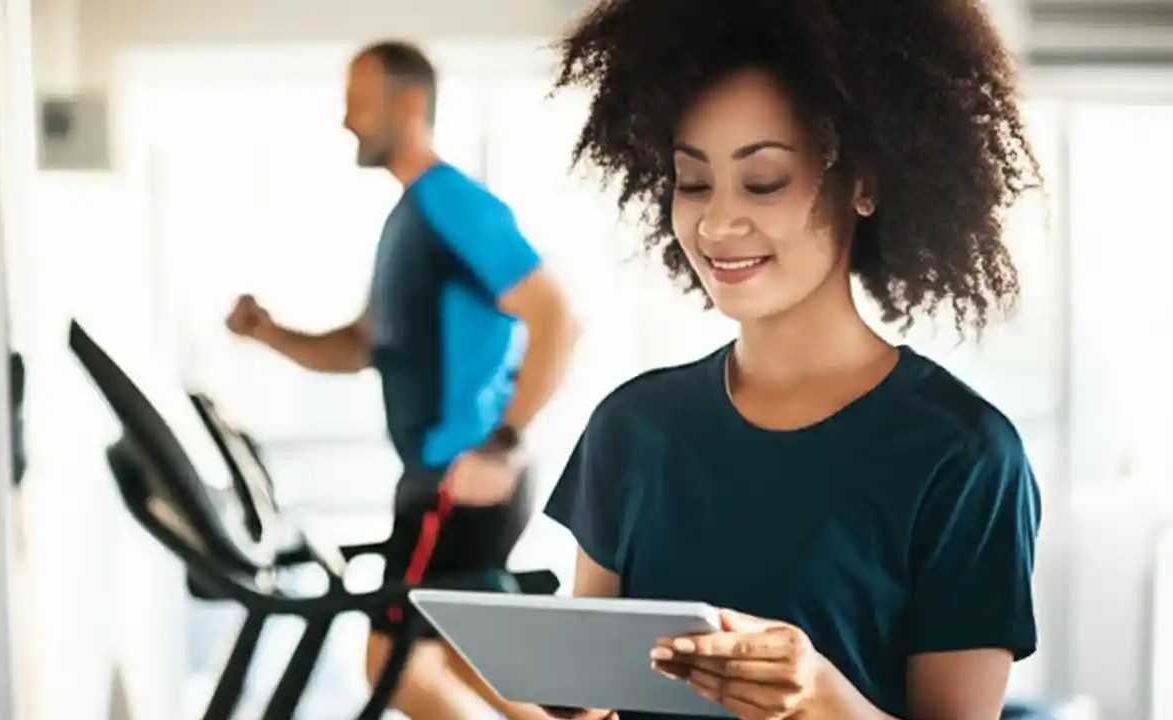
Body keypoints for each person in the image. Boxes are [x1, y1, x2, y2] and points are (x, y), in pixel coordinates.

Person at [543, 1, 1042, 719]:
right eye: (692, 180)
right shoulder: (632, 427)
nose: (716, 222)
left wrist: (819, 698)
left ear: (864, 183)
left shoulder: (961, 456)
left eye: (764, 180)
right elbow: (594, 703)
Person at [227, 41, 578, 720]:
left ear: (409, 105)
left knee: (395, 662)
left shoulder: (451, 203)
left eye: (359, 102)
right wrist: (270, 332)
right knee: (444, 659)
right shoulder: (408, 220)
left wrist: (500, 441)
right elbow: (360, 346)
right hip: (434, 477)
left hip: (462, 476)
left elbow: (556, 315)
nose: (347, 120)